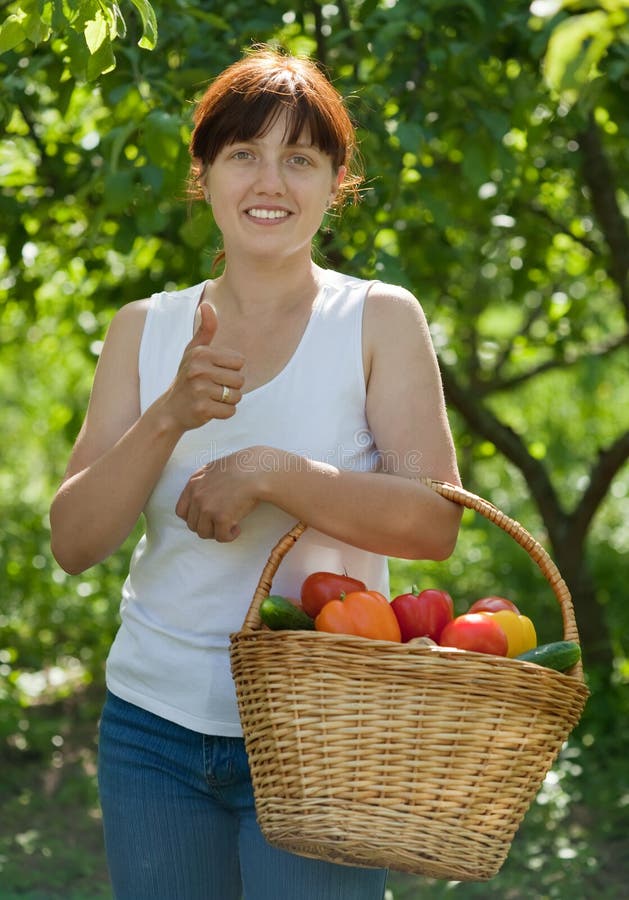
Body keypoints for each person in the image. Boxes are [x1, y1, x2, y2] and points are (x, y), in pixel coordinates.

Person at [50, 46, 461, 900]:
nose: (268, 181)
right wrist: (168, 414)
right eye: (243, 153)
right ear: (202, 173)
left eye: (299, 159)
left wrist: (271, 469)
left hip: (325, 724)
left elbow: (432, 522)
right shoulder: (145, 329)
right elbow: (75, 541)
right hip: (151, 732)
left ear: (335, 181)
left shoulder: (378, 321)